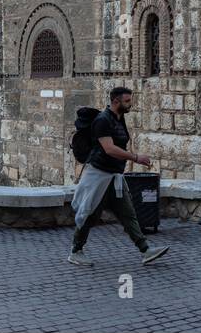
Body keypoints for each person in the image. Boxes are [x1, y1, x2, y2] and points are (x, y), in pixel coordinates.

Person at [68, 87, 167, 263]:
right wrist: (136, 158)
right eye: (127, 101)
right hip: (98, 176)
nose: (131, 104)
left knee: (128, 213)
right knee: (89, 214)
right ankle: (76, 251)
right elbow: (109, 148)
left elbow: (119, 144)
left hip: (114, 176)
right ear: (115, 101)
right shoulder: (102, 120)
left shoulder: (119, 119)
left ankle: (145, 250)